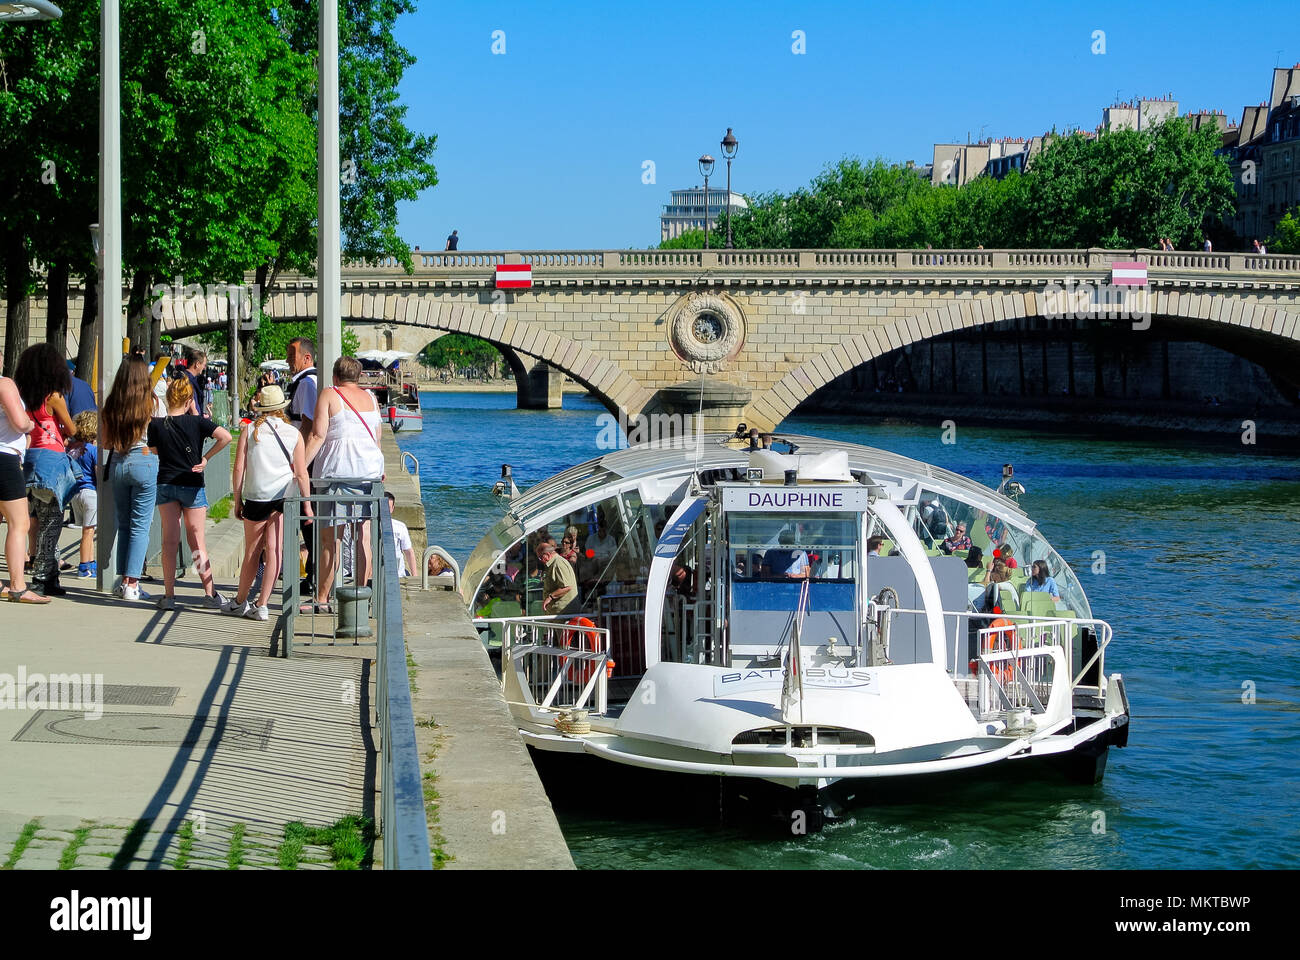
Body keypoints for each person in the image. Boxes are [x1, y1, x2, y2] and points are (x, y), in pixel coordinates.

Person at [303, 356, 386, 614]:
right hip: (369, 474)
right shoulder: (372, 399)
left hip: (336, 472)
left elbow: (317, 435)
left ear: (335, 377)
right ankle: (361, 597)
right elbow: (377, 439)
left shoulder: (330, 394)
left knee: (332, 540)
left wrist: (298, 468)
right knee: (364, 536)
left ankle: (323, 598)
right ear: (359, 376)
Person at [225, 385, 313, 621]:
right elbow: (301, 473)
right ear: (281, 408)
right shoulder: (293, 433)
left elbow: (239, 468)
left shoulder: (249, 430)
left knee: (252, 553)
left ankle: (239, 601)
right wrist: (307, 506)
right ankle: (262, 604)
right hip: (282, 497)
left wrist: (237, 499)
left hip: (256, 497)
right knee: (274, 551)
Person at [147, 377, 232, 610]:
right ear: (188, 399)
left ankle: (169, 595)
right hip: (192, 484)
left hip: (166, 484)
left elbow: (154, 450)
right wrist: (206, 458)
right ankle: (209, 593)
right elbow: (226, 437)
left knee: (169, 542)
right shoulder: (198, 423)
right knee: (197, 543)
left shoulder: (156, 424)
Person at [14, 343, 78, 597]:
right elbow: (71, 429)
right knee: (52, 523)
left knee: (38, 521)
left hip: (30, 461)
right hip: (52, 462)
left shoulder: (24, 397)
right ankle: (43, 577)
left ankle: (50, 576)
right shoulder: (54, 396)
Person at [100, 357, 160, 601]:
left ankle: (123, 581)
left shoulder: (112, 404)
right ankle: (133, 583)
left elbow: (105, 443)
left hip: (118, 463)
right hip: (144, 460)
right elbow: (158, 437)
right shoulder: (152, 403)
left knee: (124, 525)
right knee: (140, 526)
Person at [0, 370, 45, 603]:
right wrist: (29, 424)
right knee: (20, 523)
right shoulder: (4, 384)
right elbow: (19, 422)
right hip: (4, 458)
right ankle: (18, 586)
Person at [68, 410, 99, 580]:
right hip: (90, 493)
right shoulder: (93, 450)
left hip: (75, 493)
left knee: (88, 530)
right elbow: (97, 474)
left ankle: (91, 563)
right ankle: (84, 566)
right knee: (88, 532)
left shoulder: (72, 448)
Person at [537, 537, 577, 614]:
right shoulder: (552, 564)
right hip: (556, 612)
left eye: (540, 557)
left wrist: (550, 597)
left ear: (547, 554)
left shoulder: (558, 563)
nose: (540, 560)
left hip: (562, 613)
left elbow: (567, 587)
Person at [386, 492, 417, 578]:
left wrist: (415, 577)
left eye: (388, 508)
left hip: (398, 574)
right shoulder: (368, 527)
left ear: (393, 508)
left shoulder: (400, 526)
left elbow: (409, 552)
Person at [182, 347, 212, 418]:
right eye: (204, 365)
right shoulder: (186, 380)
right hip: (191, 422)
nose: (204, 368)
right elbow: (192, 410)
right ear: (197, 364)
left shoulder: (193, 379)